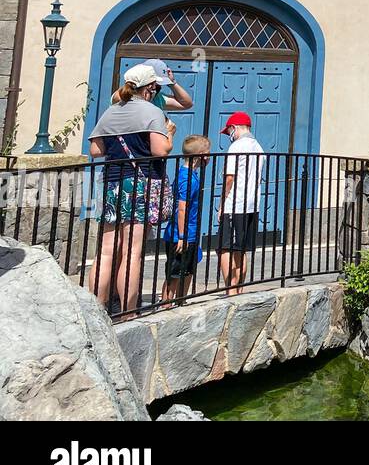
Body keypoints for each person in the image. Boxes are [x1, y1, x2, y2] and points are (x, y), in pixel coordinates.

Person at [85, 63, 173, 314]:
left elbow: (96, 150)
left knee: (106, 250)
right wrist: (169, 135)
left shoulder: (112, 111)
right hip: (140, 182)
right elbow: (160, 150)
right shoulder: (151, 112)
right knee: (132, 252)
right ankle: (128, 311)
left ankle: (97, 310)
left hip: (112, 181)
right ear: (151, 88)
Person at [217, 112, 266, 296]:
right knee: (241, 249)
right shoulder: (258, 147)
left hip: (235, 203)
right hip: (252, 204)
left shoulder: (237, 146)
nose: (229, 135)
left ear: (234, 128)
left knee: (225, 248)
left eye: (229, 130)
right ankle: (239, 289)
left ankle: (230, 290)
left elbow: (229, 178)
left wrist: (222, 203)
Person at [161, 134, 211, 305]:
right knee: (174, 273)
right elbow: (182, 208)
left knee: (188, 269)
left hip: (190, 232)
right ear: (200, 156)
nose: (210, 157)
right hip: (180, 234)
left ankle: (181, 301)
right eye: (208, 153)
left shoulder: (190, 175)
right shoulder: (187, 178)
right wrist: (182, 236)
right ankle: (166, 304)